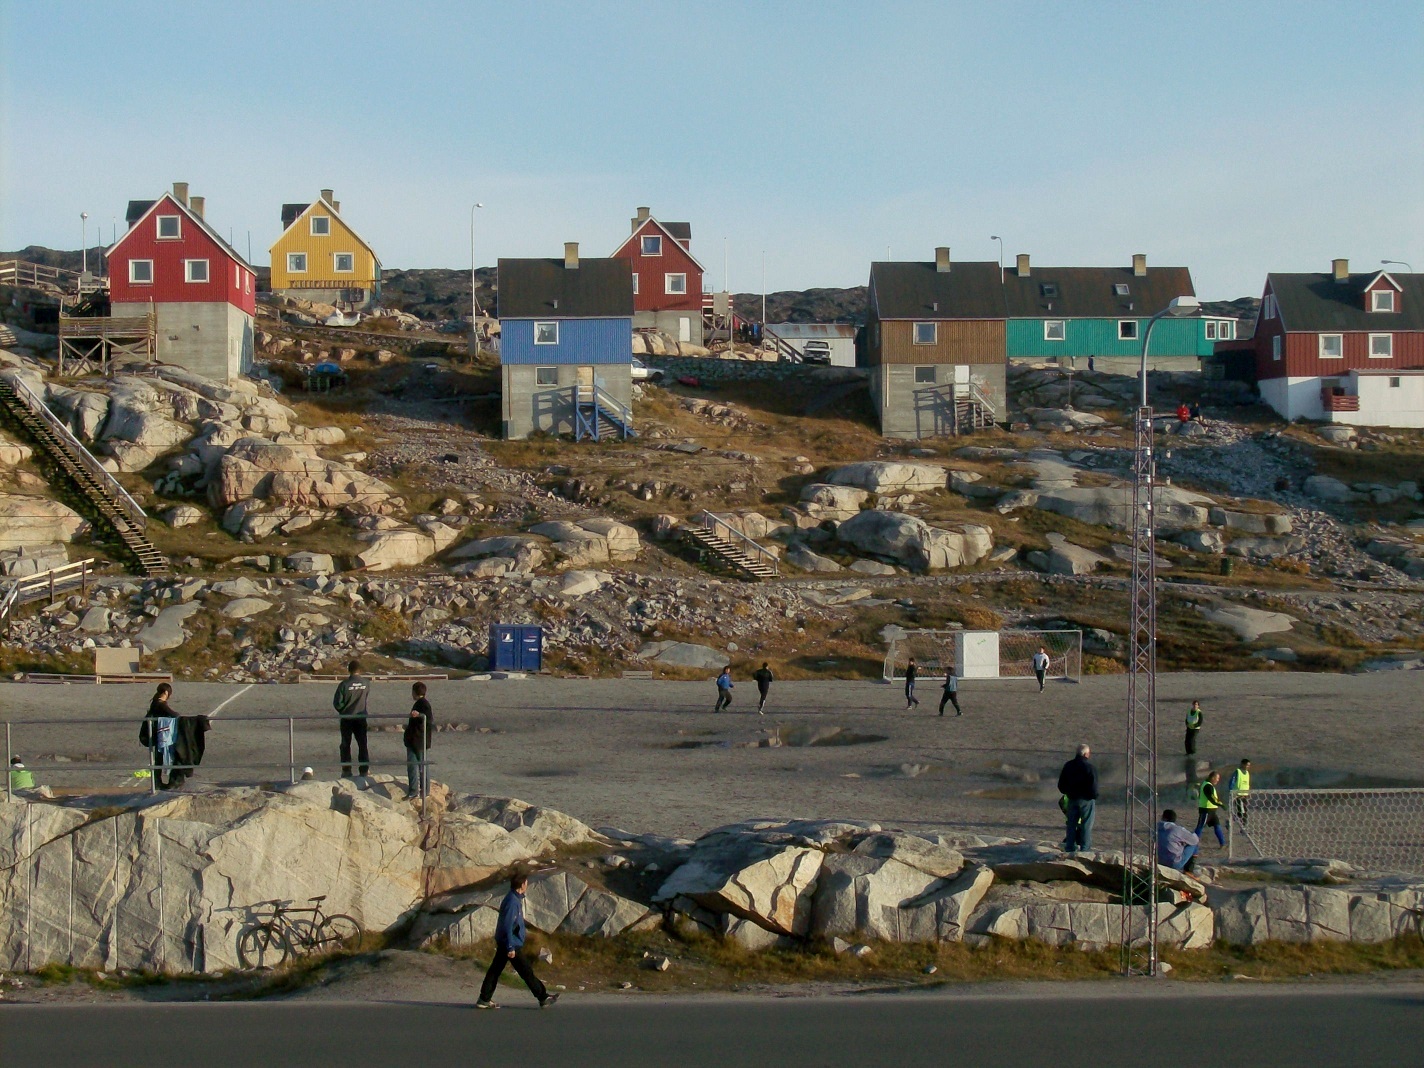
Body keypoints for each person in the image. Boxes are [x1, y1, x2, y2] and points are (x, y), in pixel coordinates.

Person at [476, 872, 559, 1010]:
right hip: (510, 944)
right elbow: (507, 925)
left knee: (495, 971)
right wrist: (510, 947)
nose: (527, 884)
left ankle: (484, 999)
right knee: (526, 971)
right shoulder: (512, 902)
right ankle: (543, 997)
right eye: (526, 882)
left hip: (508, 943)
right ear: (522, 885)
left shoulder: (513, 899)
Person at [1057, 743, 1098, 853]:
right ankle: (1085, 849)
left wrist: (1067, 792)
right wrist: (1093, 796)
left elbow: (1061, 784)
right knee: (1086, 825)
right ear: (1086, 754)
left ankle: (1069, 847)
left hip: (1072, 798)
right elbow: (1094, 786)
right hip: (1086, 800)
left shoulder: (1068, 765)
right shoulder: (1090, 768)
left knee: (1071, 825)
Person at [333, 660, 371, 778]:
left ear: (349, 670)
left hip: (347, 718)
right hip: (361, 717)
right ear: (360, 670)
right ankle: (364, 769)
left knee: (345, 744)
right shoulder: (366, 683)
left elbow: (337, 703)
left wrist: (343, 709)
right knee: (362, 743)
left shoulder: (344, 684)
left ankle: (346, 770)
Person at [139, 683, 179, 790]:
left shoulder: (156, 702)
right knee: (159, 758)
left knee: (158, 759)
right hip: (158, 735)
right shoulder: (160, 704)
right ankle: (158, 783)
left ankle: (158, 782)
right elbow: (174, 714)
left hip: (156, 734)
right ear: (166, 692)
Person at [404, 682, 433, 797]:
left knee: (418, 766)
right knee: (417, 766)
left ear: (415, 693)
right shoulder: (422, 703)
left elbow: (427, 718)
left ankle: (418, 791)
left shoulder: (423, 704)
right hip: (417, 741)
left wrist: (419, 714)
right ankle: (418, 791)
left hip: (418, 741)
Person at [1193, 770, 1226, 846]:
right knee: (1200, 827)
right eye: (1217, 778)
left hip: (1212, 811)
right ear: (1213, 777)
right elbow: (1212, 799)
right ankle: (1192, 843)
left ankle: (1222, 844)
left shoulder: (1209, 785)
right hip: (1206, 810)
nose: (1218, 780)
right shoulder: (1207, 786)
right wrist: (1221, 805)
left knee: (1217, 826)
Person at [1228, 758, 1252, 828]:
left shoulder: (1247, 773)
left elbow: (1247, 784)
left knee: (1242, 812)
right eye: (1247, 765)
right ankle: (1243, 827)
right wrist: (1231, 791)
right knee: (1242, 812)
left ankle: (1231, 821)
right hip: (1238, 795)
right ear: (1243, 764)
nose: (1248, 767)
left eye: (1249, 765)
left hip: (1245, 795)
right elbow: (1232, 782)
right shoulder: (1237, 772)